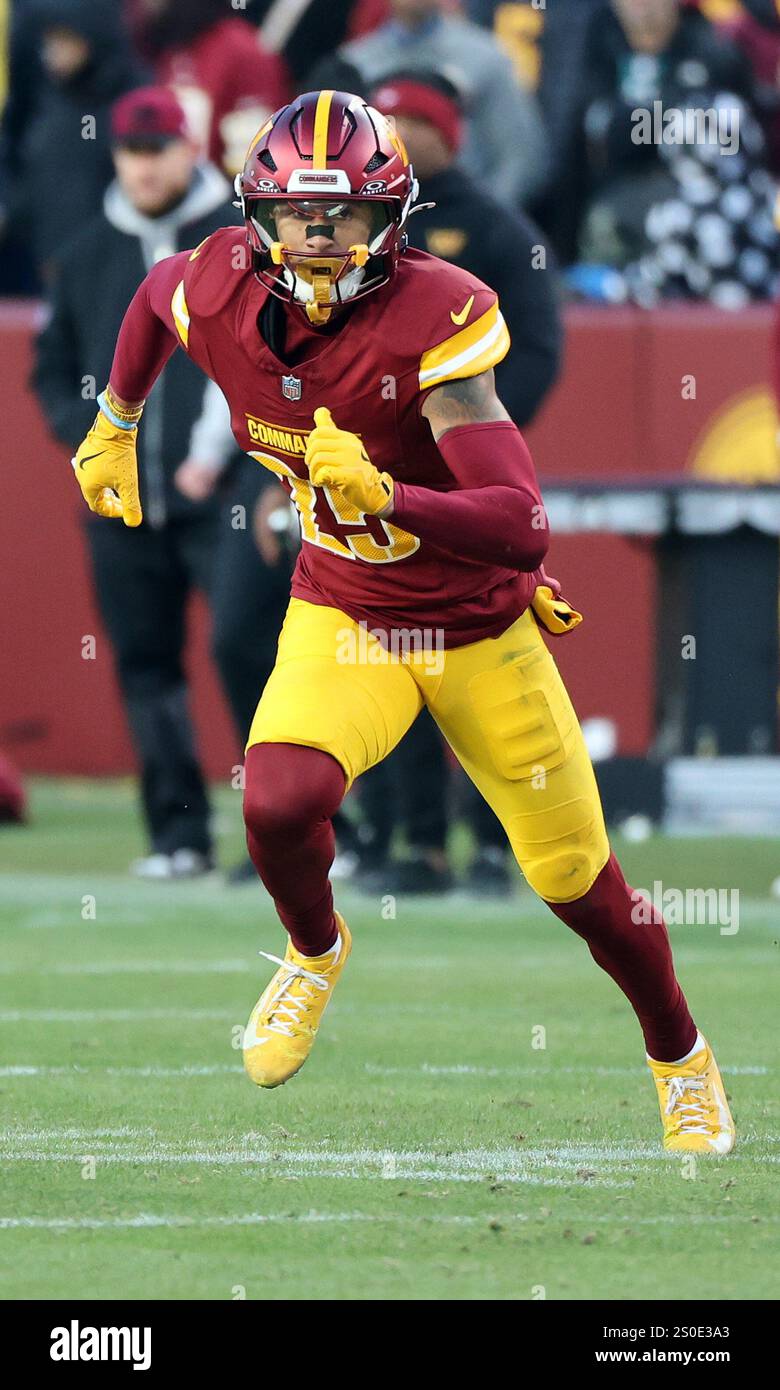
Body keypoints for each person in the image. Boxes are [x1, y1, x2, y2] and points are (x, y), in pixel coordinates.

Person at [72, 89, 735, 1154]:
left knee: (581, 885)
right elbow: (155, 299)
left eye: (345, 216)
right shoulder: (219, 287)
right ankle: (314, 949)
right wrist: (117, 418)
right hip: (351, 614)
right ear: (261, 217)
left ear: (393, 220)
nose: (322, 238)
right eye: (300, 215)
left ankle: (681, 1054)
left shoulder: (438, 314)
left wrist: (390, 495)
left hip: (478, 629)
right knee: (279, 799)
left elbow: (519, 526)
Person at [33, 86, 273, 878]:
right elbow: (54, 368)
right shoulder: (87, 249)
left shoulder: (238, 238)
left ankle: (295, 830)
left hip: (231, 489)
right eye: (131, 153)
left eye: (157, 150)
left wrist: (227, 453)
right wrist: (95, 443)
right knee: (145, 663)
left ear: (188, 148)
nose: (143, 168)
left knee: (250, 645)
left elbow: (264, 353)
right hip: (125, 501)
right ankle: (177, 836)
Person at [349, 69, 563, 896]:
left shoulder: (496, 228)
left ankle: (502, 843)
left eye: (411, 119)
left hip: (462, 483)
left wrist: (476, 439)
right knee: (390, 656)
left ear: (448, 131)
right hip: (371, 484)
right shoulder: (345, 227)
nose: (397, 128)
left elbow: (536, 349)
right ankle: (420, 842)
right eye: (386, 117)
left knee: (484, 657)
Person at [307, 0, 548, 208]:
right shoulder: (353, 63)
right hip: (377, 218)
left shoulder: (486, 58)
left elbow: (520, 156)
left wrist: (481, 219)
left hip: (464, 219)